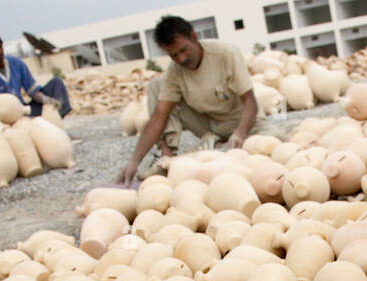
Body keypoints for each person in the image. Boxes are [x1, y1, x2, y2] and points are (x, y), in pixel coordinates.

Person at [116, 15, 276, 187]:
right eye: (174, 55)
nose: (181, 59)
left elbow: (250, 102)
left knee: (275, 144)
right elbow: (159, 118)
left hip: (243, 120)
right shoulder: (175, 72)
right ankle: (166, 157)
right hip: (208, 124)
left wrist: (241, 132)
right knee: (157, 85)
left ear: (193, 37)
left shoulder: (225, 54)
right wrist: (134, 161)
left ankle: (221, 144)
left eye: (184, 50)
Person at [0, 27, 72, 117]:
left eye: (0, 47)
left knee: (56, 83)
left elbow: (32, 91)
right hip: (6, 117)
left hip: (25, 110)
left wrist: (47, 100)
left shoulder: (16, 63)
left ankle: (56, 118)